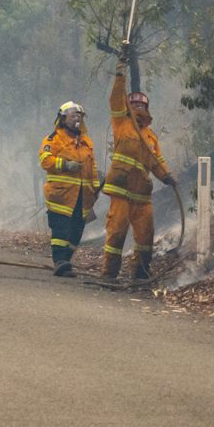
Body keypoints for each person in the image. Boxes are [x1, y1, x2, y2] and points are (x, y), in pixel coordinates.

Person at [101, 53, 174, 282]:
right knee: (117, 234)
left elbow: (155, 161)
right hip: (122, 191)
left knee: (145, 236)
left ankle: (140, 275)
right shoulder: (121, 124)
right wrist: (120, 73)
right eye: (135, 104)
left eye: (142, 104)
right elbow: (115, 98)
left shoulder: (150, 136)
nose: (139, 107)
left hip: (142, 194)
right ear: (129, 106)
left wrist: (167, 176)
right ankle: (109, 275)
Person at [39, 101, 99, 277]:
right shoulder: (53, 139)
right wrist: (65, 164)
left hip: (82, 197)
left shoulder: (86, 141)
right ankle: (60, 261)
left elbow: (92, 167)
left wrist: (95, 187)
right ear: (63, 119)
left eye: (79, 115)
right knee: (60, 230)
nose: (77, 118)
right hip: (60, 196)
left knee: (76, 230)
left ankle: (66, 261)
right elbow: (45, 160)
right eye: (73, 116)